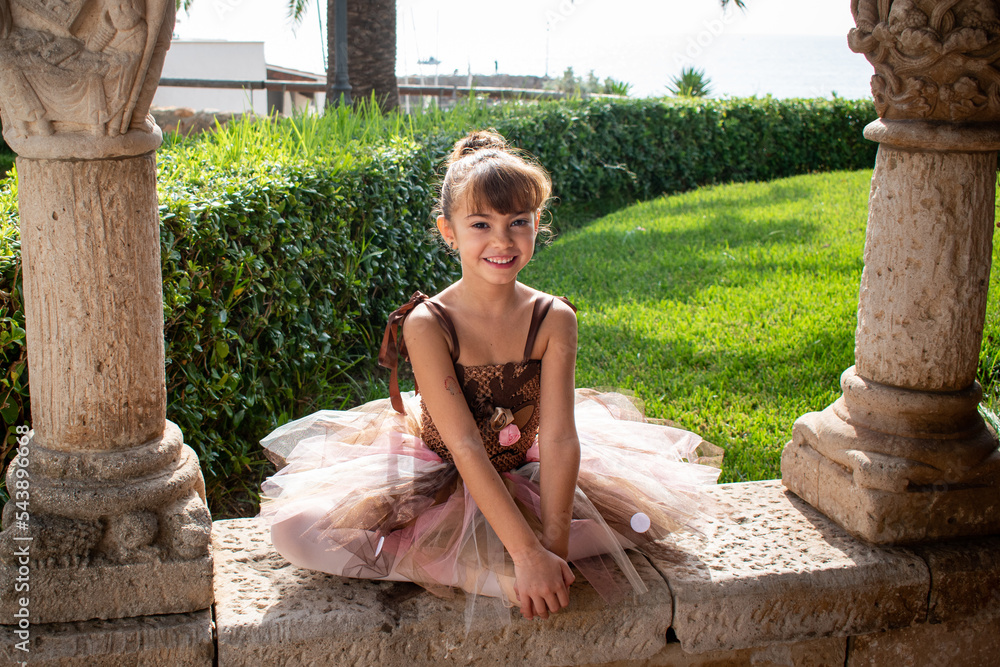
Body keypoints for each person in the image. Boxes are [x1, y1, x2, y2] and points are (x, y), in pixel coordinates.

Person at [258, 130, 721, 627]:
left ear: (537, 224)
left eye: (518, 222)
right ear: (448, 230)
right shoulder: (428, 323)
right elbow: (466, 448)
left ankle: (512, 561)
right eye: (480, 224)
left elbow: (562, 438)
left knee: (644, 521)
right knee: (292, 530)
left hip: (528, 467)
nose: (502, 241)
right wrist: (526, 557)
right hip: (442, 472)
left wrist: (552, 549)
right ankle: (483, 574)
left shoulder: (553, 317)